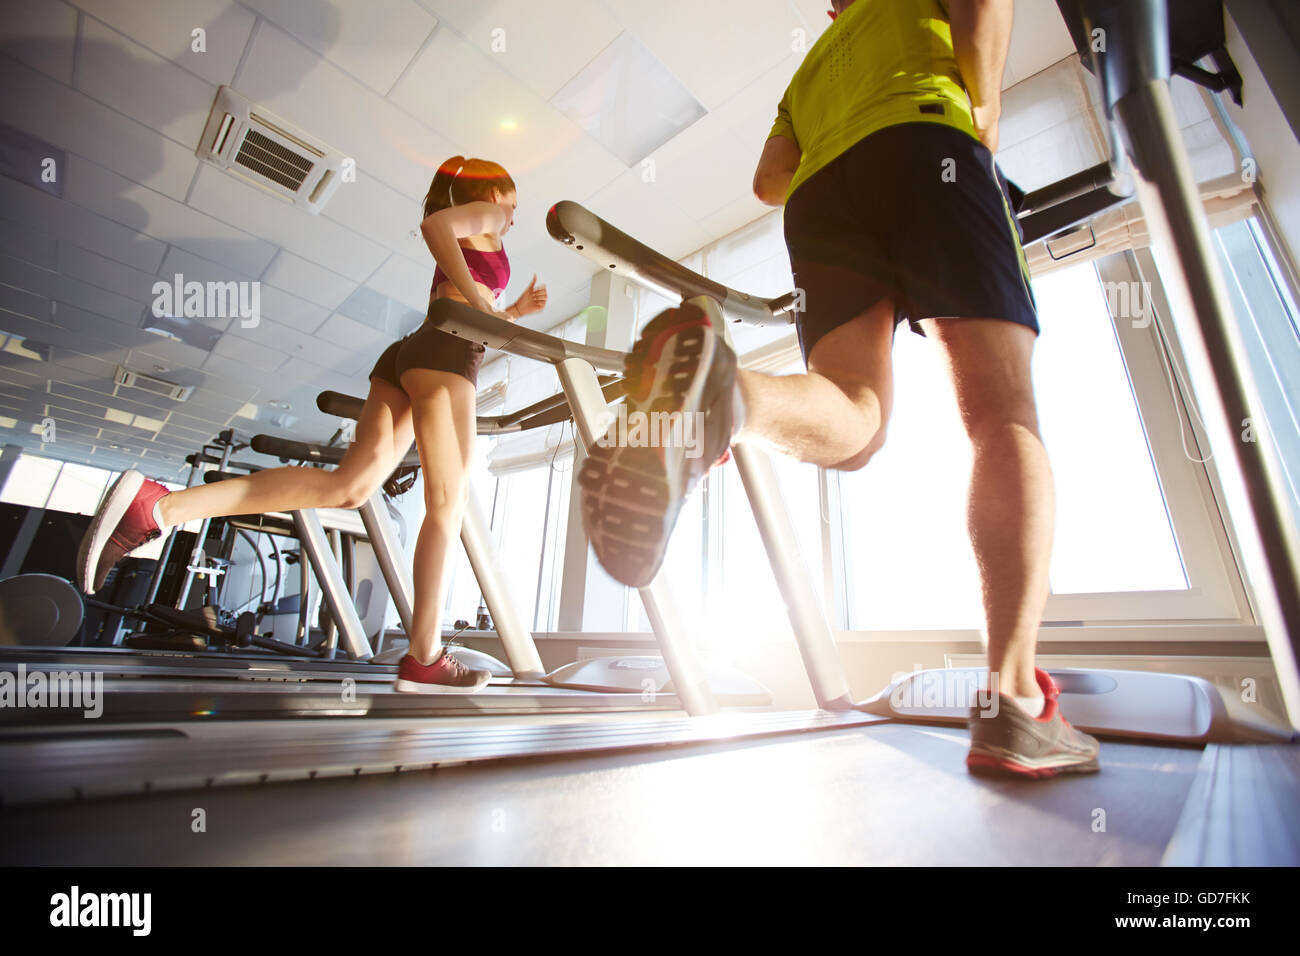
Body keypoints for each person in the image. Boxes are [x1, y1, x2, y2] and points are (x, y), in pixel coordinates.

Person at [578, 0, 1099, 776]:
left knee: (856, 413)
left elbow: (767, 181)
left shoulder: (809, 69)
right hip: (933, 142)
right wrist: (980, 116)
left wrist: (845, 165)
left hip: (821, 196)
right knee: (1002, 417)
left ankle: (731, 397)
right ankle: (1016, 702)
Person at [79, 156, 548, 694]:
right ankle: (425, 657)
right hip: (446, 354)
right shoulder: (480, 216)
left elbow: (473, 305)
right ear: (490, 192)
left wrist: (512, 313)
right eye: (509, 201)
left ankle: (160, 507)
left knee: (349, 488)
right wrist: (475, 297)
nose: (512, 214)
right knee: (447, 505)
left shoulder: (483, 232)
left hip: (416, 353)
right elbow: (435, 230)